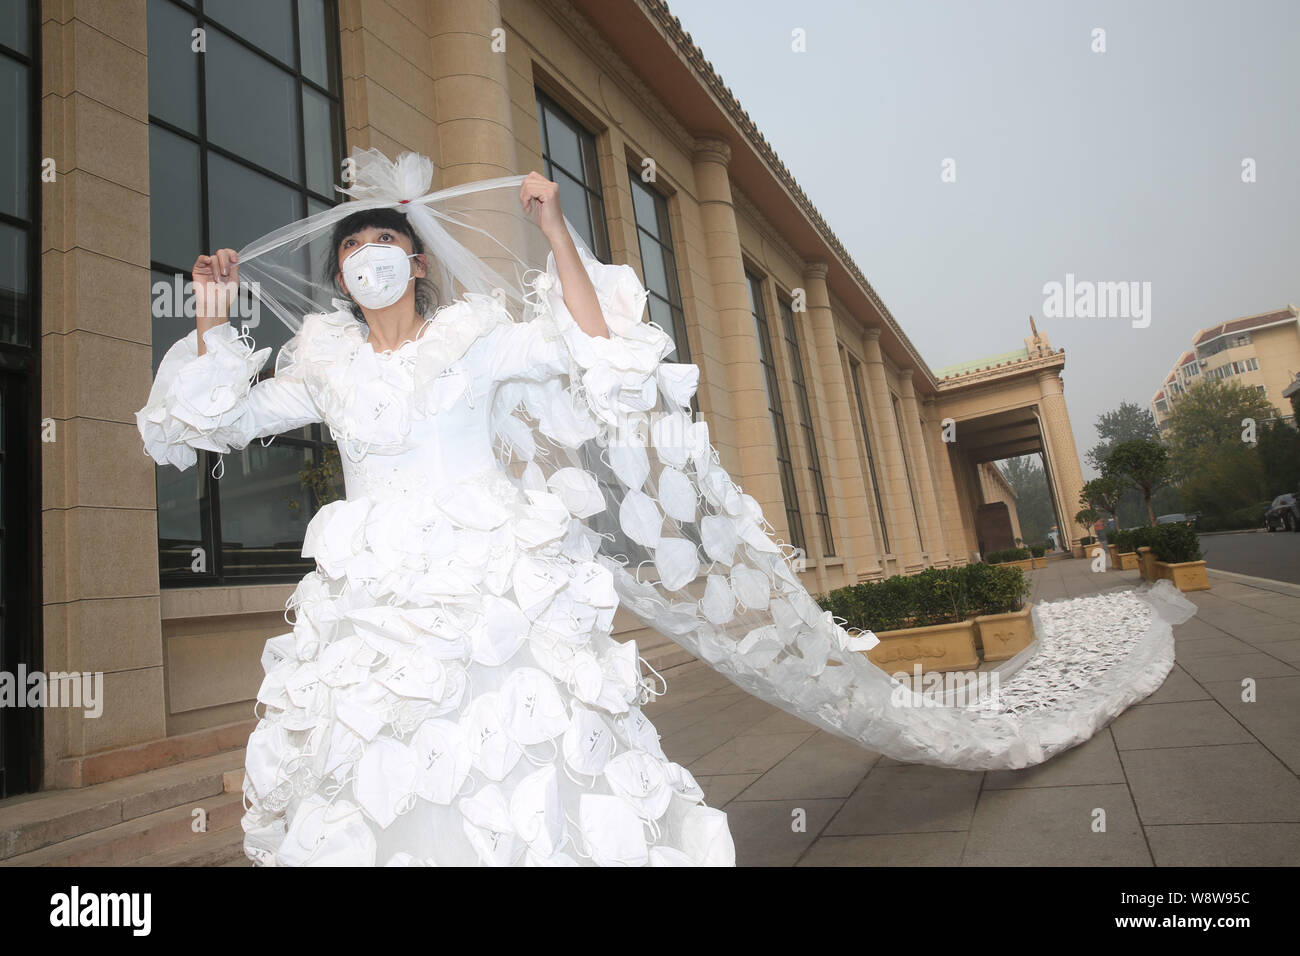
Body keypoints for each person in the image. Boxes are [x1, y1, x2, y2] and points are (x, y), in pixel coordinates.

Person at [138, 148, 1195, 867]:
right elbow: (212, 423)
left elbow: (595, 347)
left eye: (384, 249)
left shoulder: (473, 341)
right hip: (374, 591)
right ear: (340, 276)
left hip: (491, 578)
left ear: (412, 256)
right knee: (381, 757)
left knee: (522, 748)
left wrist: (554, 232)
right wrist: (213, 320)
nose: (368, 264)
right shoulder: (323, 361)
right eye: (350, 257)